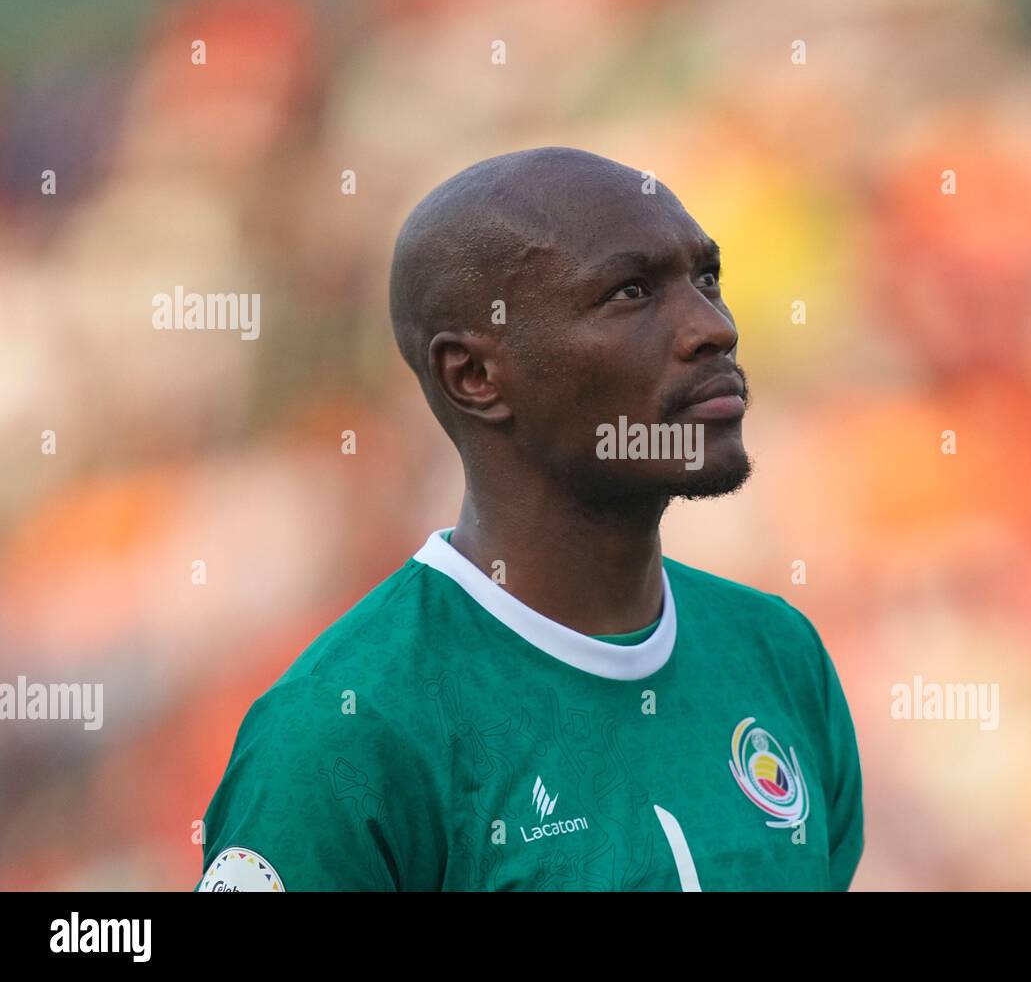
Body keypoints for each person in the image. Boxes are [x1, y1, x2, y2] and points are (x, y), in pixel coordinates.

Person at [196, 147, 863, 891]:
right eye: (632, 291)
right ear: (475, 376)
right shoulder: (343, 733)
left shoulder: (777, 654)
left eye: (707, 279)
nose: (711, 327)